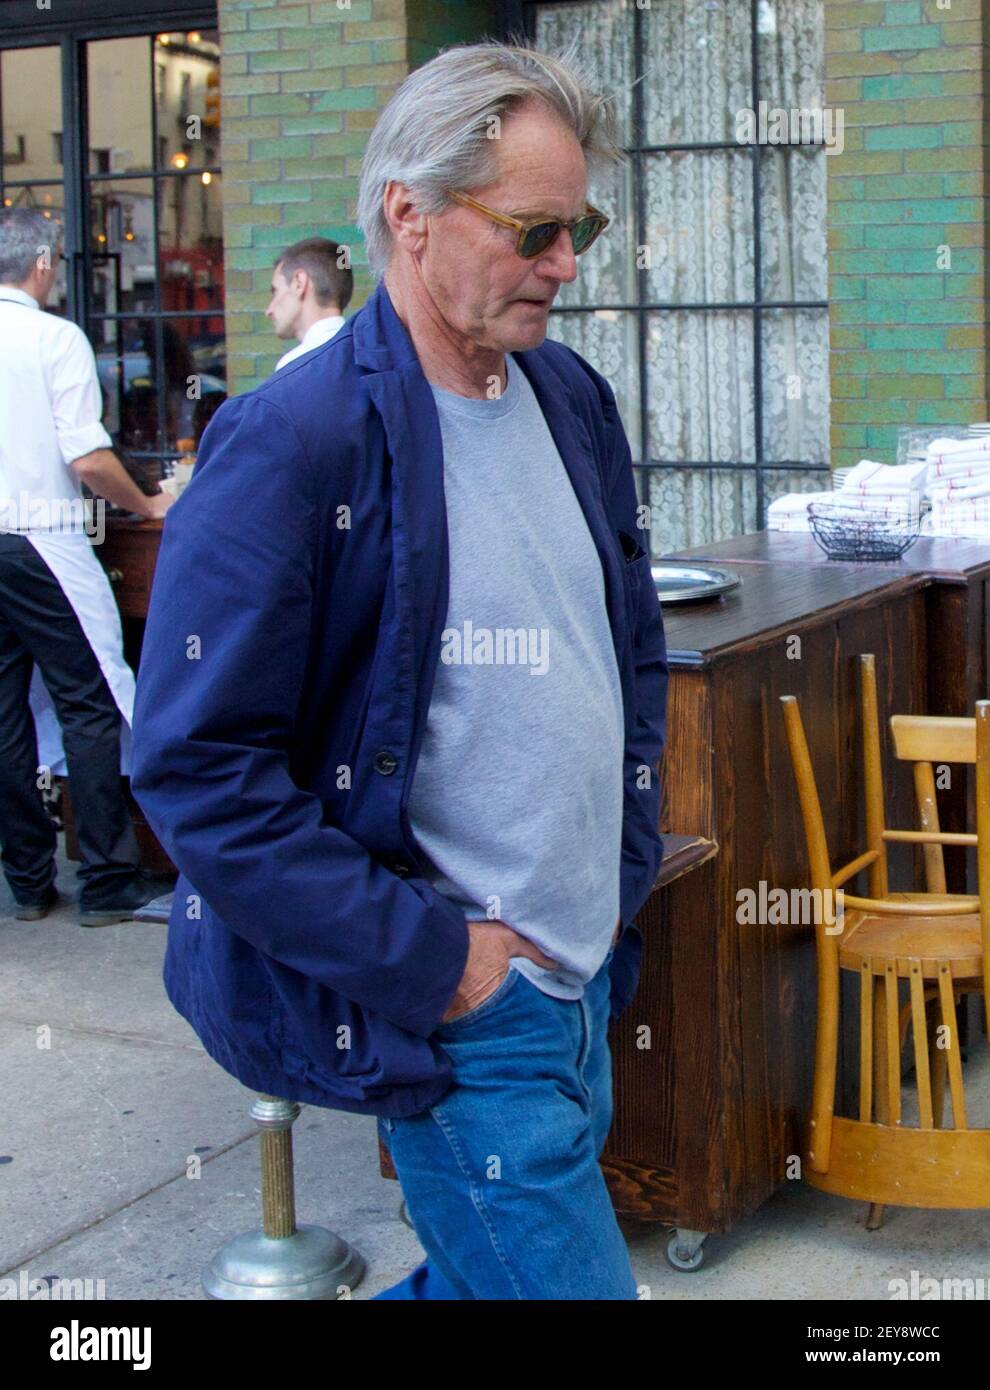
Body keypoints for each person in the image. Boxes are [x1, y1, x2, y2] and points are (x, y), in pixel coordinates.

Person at [130, 39, 668, 1300]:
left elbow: (625, 643)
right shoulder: (293, 441)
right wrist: (444, 966)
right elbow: (197, 770)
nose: (568, 263)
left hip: (584, 971)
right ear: (408, 215)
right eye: (535, 230)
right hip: (471, 1010)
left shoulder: (569, 396)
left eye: (580, 227)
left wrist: (622, 864)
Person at [0, 208, 174, 926]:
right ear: (43, 264)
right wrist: (149, 501)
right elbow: (88, 459)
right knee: (91, 701)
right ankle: (106, 879)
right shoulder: (55, 338)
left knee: (5, 712)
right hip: (43, 539)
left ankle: (27, 881)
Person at [266, 237, 353, 370]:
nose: (269, 311)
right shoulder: (372, 354)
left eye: (276, 291)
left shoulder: (294, 366)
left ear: (299, 283)